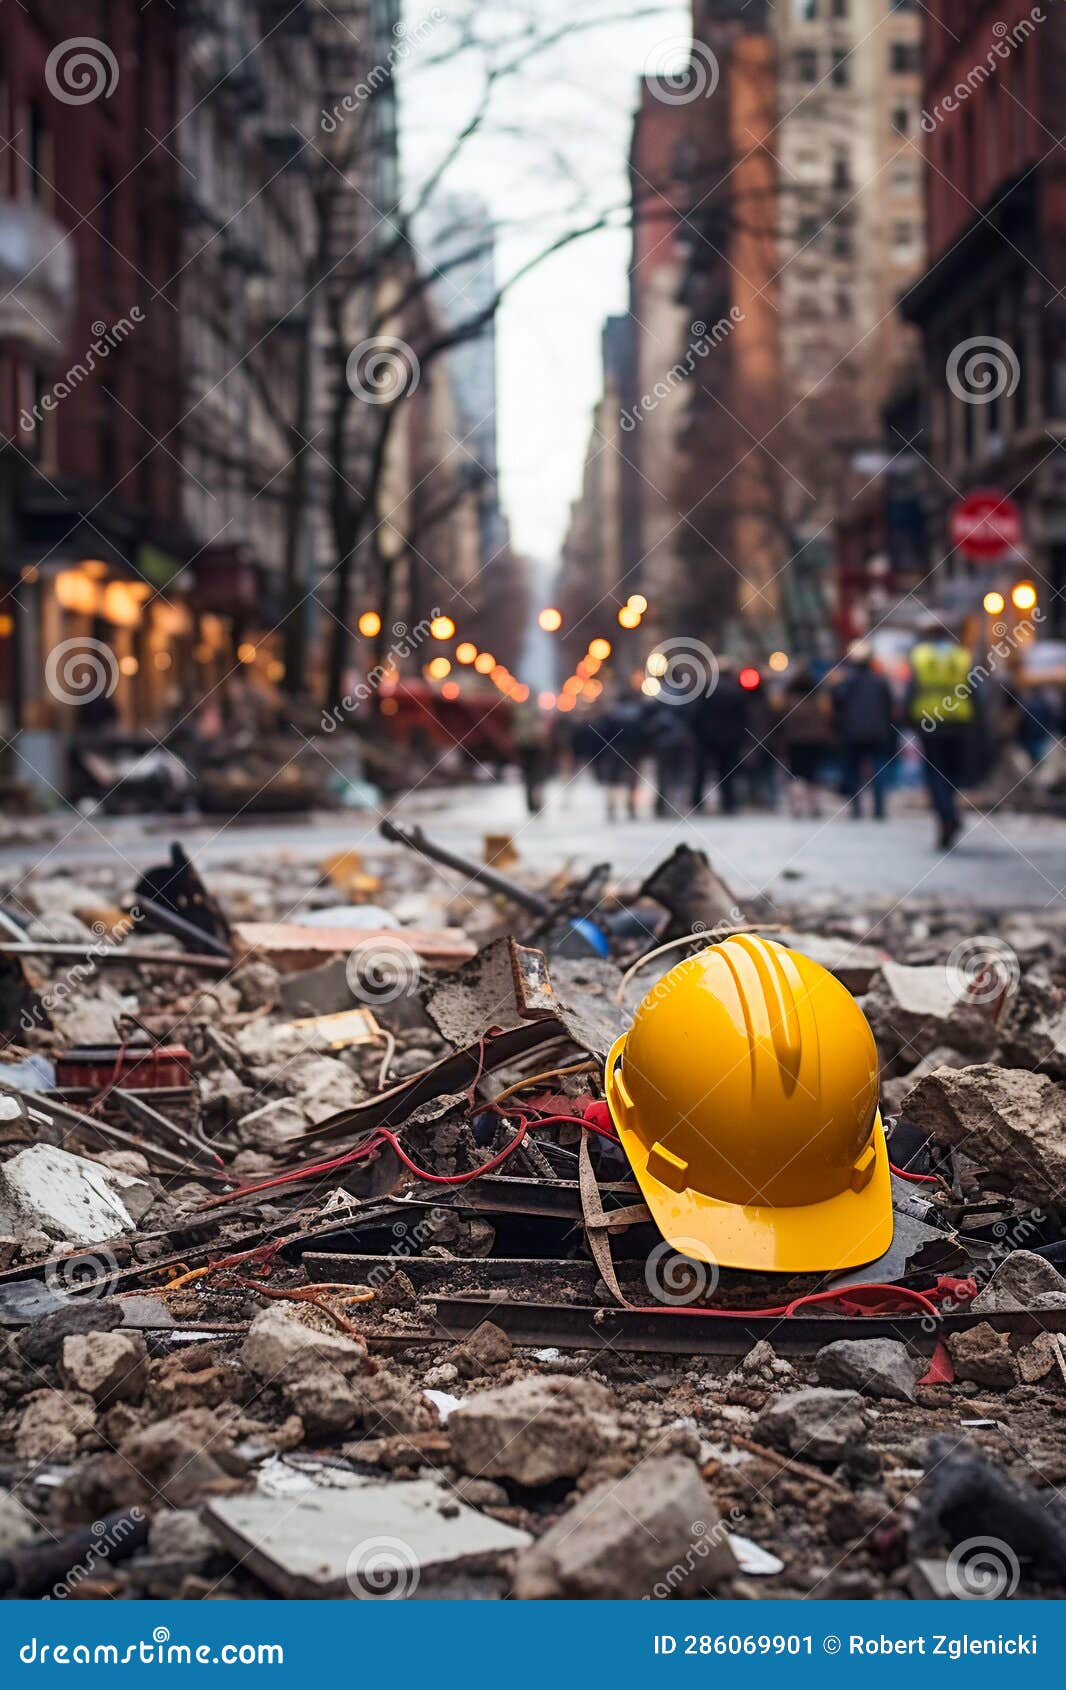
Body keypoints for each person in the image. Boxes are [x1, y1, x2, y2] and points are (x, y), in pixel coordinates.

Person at [906, 618, 976, 850]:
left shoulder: (920, 656)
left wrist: (907, 719)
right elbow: (975, 691)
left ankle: (946, 815)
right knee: (954, 771)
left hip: (929, 721)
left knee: (935, 772)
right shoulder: (962, 656)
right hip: (959, 721)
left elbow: (912, 690)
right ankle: (949, 812)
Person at [833, 640, 895, 819]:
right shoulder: (880, 682)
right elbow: (889, 707)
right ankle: (879, 808)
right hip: (877, 732)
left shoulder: (845, 682)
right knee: (878, 768)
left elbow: (837, 706)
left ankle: (857, 808)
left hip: (852, 733)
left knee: (853, 770)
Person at [689, 658, 748, 814]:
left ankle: (697, 803)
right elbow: (744, 717)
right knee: (727, 772)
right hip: (731, 738)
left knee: (701, 771)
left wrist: (697, 733)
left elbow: (696, 713)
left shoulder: (706, 689)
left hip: (707, 737)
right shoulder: (738, 691)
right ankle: (728, 804)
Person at [773, 665, 834, 818]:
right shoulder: (818, 698)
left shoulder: (787, 698)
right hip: (814, 740)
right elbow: (828, 716)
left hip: (793, 741)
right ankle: (813, 806)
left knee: (793, 774)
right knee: (813, 775)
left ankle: (796, 807)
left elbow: (777, 716)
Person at [591, 689, 646, 821]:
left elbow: (602, 734)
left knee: (613, 780)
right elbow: (642, 734)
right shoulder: (637, 715)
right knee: (631, 780)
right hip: (632, 751)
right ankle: (630, 805)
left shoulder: (612, 715)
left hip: (613, 750)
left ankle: (611, 806)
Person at [511, 698, 552, 814]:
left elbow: (514, 730)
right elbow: (542, 730)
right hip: (535, 746)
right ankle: (537, 802)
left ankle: (531, 804)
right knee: (537, 776)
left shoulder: (518, 712)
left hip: (523, 746)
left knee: (528, 778)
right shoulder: (535, 713)